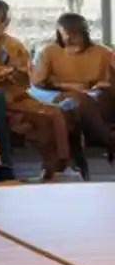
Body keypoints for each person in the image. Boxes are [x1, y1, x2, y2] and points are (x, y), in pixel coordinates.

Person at [0, 0, 71, 180]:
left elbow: (28, 77)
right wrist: (1, 75)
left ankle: (61, 161)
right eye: (2, 19)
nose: (6, 23)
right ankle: (53, 163)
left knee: (56, 113)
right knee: (42, 118)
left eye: (7, 19)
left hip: (17, 95)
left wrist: (20, 72)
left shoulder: (12, 43)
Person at [32, 12, 115, 163]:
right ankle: (107, 140)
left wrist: (89, 89)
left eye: (75, 35)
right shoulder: (50, 51)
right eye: (66, 35)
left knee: (84, 100)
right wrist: (65, 86)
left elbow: (108, 83)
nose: (70, 40)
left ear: (85, 34)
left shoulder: (103, 53)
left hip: (95, 95)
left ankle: (104, 142)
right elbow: (38, 82)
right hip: (60, 94)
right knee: (71, 106)